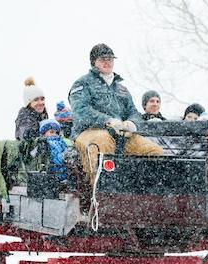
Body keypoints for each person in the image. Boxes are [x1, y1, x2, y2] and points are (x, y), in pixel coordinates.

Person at [68, 43, 163, 180]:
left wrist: (132, 123)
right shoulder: (82, 83)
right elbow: (81, 111)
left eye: (110, 59)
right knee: (101, 144)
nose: (108, 62)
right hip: (89, 132)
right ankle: (100, 193)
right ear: (94, 62)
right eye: (103, 59)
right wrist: (108, 121)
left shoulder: (121, 89)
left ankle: (147, 192)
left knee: (155, 151)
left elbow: (133, 112)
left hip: (121, 134)